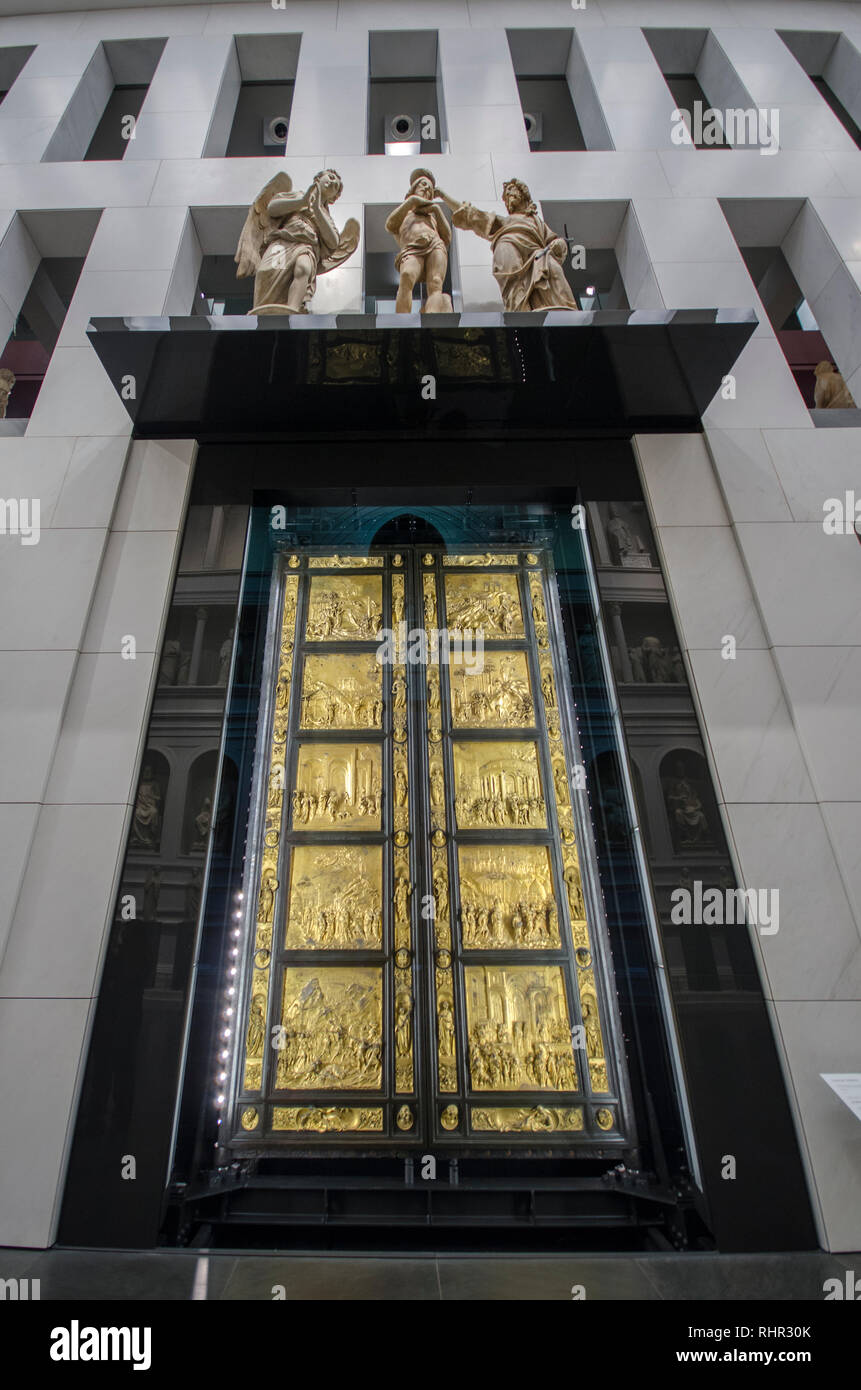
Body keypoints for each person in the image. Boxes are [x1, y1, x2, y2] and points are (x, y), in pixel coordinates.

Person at [443, 177, 578, 312]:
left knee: (553, 268)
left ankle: (562, 314)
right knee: (515, 292)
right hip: (508, 251)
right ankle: (522, 318)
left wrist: (559, 244)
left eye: (512, 191)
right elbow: (473, 215)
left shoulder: (536, 221)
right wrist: (443, 196)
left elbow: (554, 241)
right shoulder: (504, 222)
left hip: (538, 258)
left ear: (523, 194)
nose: (508, 195)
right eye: (506, 194)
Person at [385, 168, 453, 314]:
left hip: (435, 244)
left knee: (435, 282)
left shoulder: (432, 215)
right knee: (407, 275)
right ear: (413, 188)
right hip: (412, 247)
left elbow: (447, 237)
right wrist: (412, 201)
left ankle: (432, 319)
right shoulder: (406, 211)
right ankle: (402, 322)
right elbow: (390, 225)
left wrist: (436, 209)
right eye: (423, 184)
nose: (426, 188)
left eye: (429, 188)